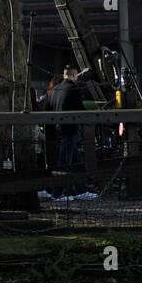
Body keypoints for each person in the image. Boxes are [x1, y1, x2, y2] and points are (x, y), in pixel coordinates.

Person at [46, 66, 88, 198]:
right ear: (75, 75)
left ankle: (82, 191)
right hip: (69, 130)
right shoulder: (73, 89)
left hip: (57, 131)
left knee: (75, 160)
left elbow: (48, 110)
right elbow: (81, 110)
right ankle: (56, 194)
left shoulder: (54, 90)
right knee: (64, 163)